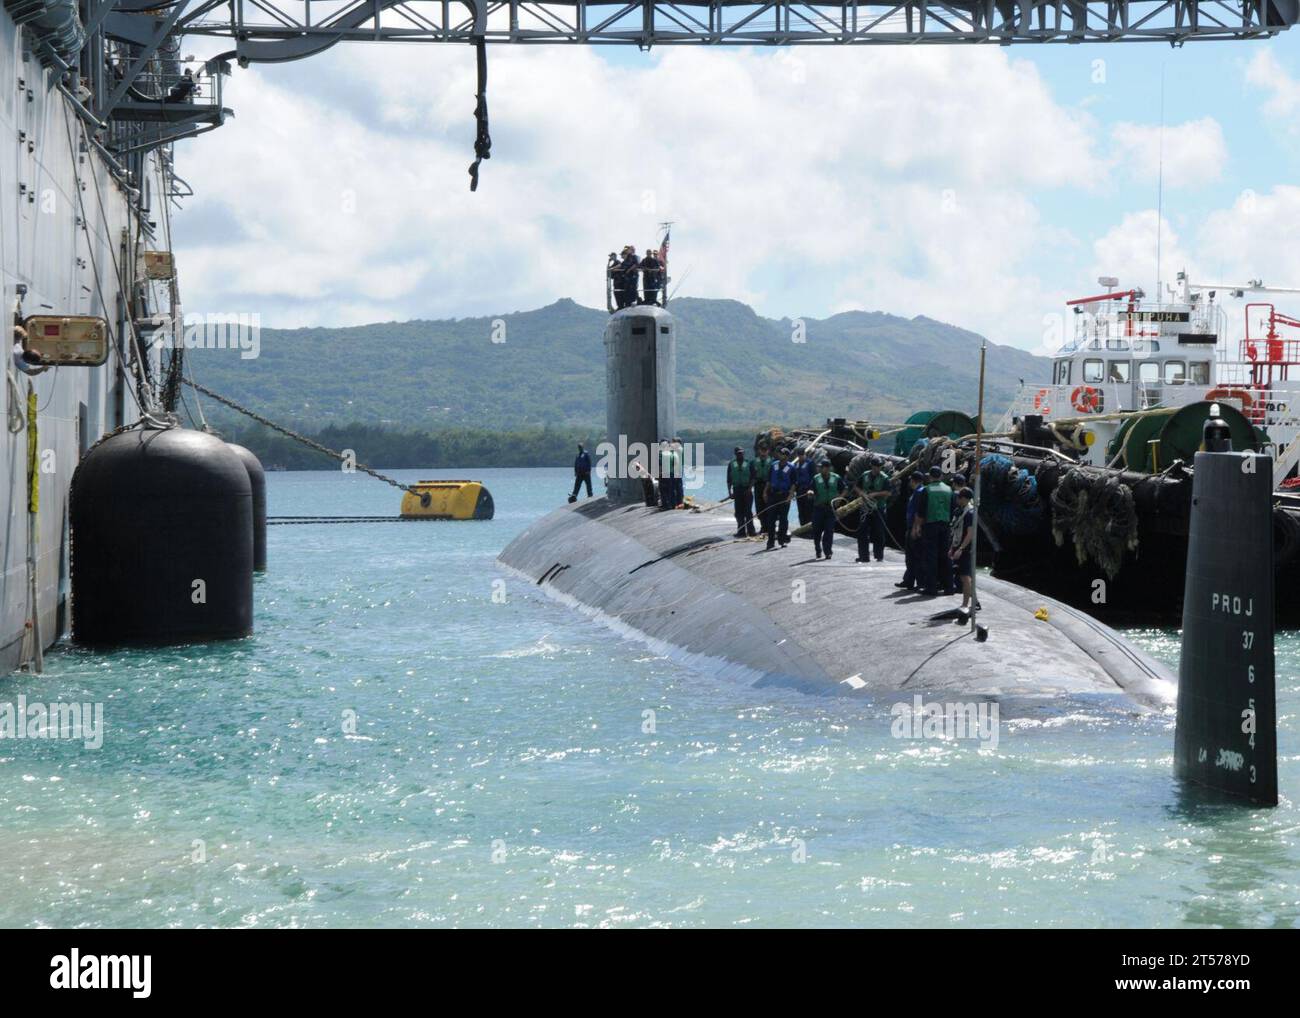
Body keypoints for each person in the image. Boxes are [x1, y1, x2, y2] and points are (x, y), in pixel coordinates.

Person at [911, 465, 953, 597]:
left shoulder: (927, 490)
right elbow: (952, 509)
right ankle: (949, 587)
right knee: (945, 557)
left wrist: (917, 527)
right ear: (940, 476)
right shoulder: (949, 489)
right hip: (945, 526)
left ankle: (931, 588)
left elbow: (921, 512)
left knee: (930, 557)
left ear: (930, 477)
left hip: (931, 526)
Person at [949, 487, 980, 612]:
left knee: (965, 577)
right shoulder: (960, 511)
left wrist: (961, 548)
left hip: (965, 549)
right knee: (965, 576)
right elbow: (955, 531)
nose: (957, 500)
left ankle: (965, 604)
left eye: (959, 497)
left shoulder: (970, 513)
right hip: (958, 546)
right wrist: (952, 547)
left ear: (965, 498)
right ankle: (975, 601)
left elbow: (970, 533)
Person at [855, 458, 891, 563]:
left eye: (879, 466)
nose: (877, 468)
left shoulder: (885, 478)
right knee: (862, 532)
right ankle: (863, 556)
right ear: (872, 466)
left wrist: (875, 494)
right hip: (865, 508)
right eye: (876, 466)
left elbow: (888, 493)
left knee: (879, 532)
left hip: (878, 508)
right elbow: (856, 487)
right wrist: (862, 494)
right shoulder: (865, 475)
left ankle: (879, 556)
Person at [895, 472, 926, 590]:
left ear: (914, 481)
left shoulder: (919, 492)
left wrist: (915, 528)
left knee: (915, 556)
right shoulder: (917, 492)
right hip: (911, 525)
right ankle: (909, 580)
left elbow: (918, 512)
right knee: (910, 556)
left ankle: (919, 582)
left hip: (913, 527)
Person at [810, 459, 845, 560]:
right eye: (819, 467)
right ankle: (818, 549)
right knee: (817, 531)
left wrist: (839, 499)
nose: (820, 469)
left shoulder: (836, 478)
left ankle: (828, 552)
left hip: (830, 509)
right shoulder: (816, 478)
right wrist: (810, 493)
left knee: (829, 531)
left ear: (828, 468)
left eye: (822, 467)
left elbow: (845, 489)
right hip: (818, 509)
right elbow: (811, 489)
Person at [764, 447, 796, 549]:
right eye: (780, 454)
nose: (780, 456)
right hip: (773, 495)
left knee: (783, 519)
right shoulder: (773, 465)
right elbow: (769, 480)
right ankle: (770, 541)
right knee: (771, 519)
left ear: (787, 456)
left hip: (784, 495)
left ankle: (782, 540)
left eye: (783, 454)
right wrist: (765, 492)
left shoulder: (791, 467)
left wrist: (790, 496)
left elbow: (793, 484)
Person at [727, 446, 757, 537]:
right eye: (738, 453)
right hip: (737, 490)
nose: (740, 455)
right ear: (735, 454)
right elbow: (729, 480)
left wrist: (749, 489)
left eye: (741, 453)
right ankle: (741, 531)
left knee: (748, 512)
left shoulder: (749, 463)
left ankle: (751, 531)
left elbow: (753, 477)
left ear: (744, 453)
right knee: (739, 512)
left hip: (747, 490)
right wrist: (730, 492)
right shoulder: (731, 464)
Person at [751, 441, 772, 539]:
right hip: (758, 486)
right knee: (759, 507)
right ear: (759, 451)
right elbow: (751, 476)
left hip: (768, 486)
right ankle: (763, 526)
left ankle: (769, 527)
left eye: (765, 450)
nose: (764, 452)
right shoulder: (754, 462)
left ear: (768, 451)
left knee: (768, 507)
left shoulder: (772, 462)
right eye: (762, 450)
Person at [791, 450, 816, 527]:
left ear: (805, 455)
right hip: (799, 490)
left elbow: (813, 477)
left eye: (802, 455)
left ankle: (809, 529)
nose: (800, 457)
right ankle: (802, 527)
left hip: (808, 490)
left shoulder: (810, 463)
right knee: (801, 510)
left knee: (808, 510)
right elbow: (795, 478)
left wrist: (811, 489)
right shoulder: (797, 464)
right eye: (799, 455)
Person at [658, 438, 680, 509]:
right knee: (671, 489)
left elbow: (660, 465)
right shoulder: (673, 454)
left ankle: (665, 505)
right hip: (672, 474)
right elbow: (676, 464)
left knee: (663, 490)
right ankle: (673, 504)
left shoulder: (661, 454)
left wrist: (659, 473)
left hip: (664, 474)